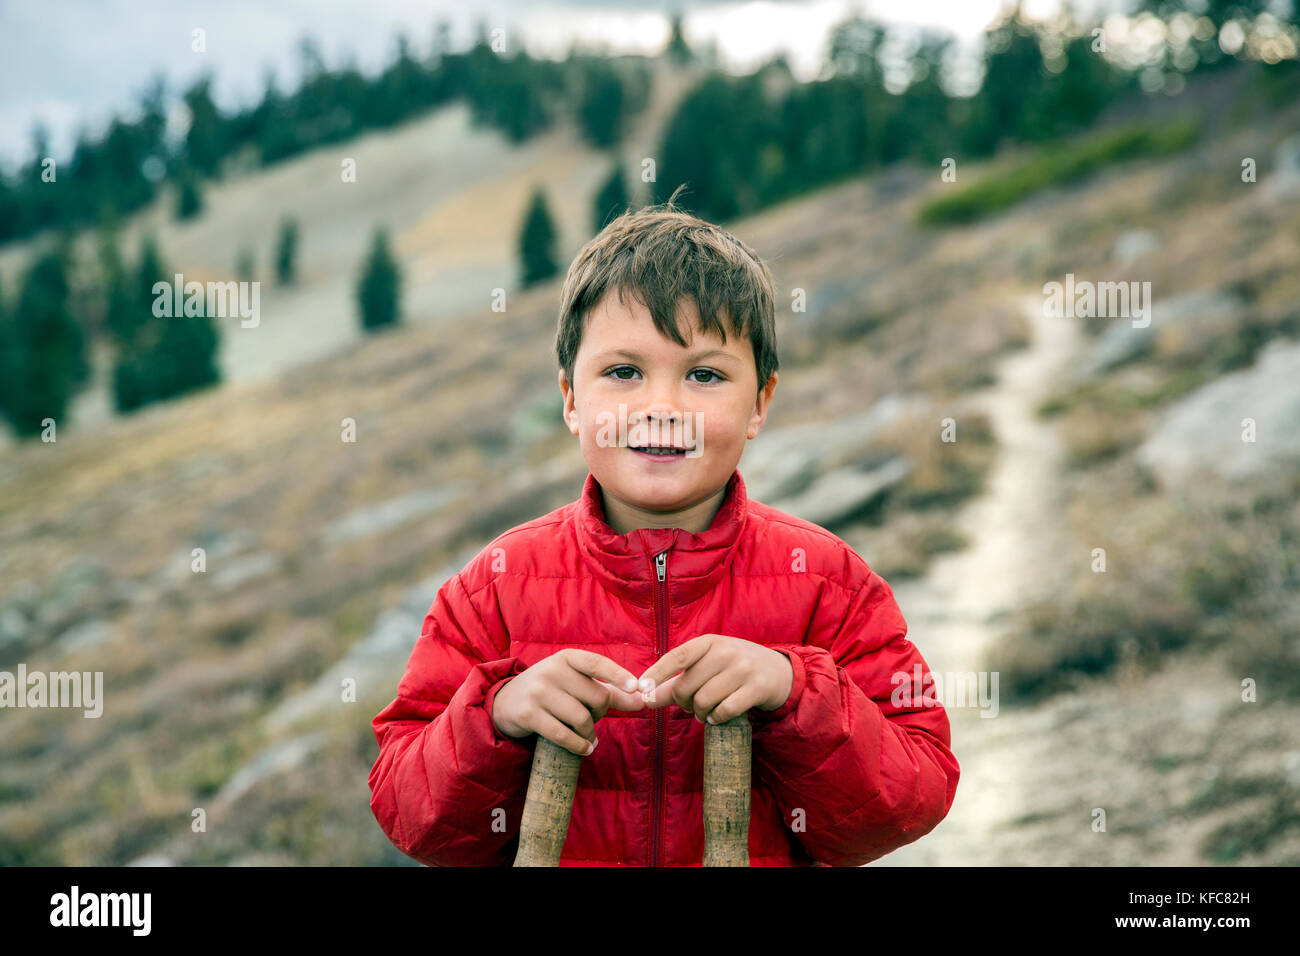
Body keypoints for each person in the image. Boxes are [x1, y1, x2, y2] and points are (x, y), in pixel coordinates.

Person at [368, 185, 960, 866]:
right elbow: (412, 818)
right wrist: (496, 717)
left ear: (761, 402)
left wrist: (795, 693)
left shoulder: (829, 584)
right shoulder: (492, 590)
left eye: (705, 375)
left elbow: (909, 799)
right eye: (623, 372)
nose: (662, 407)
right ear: (570, 399)